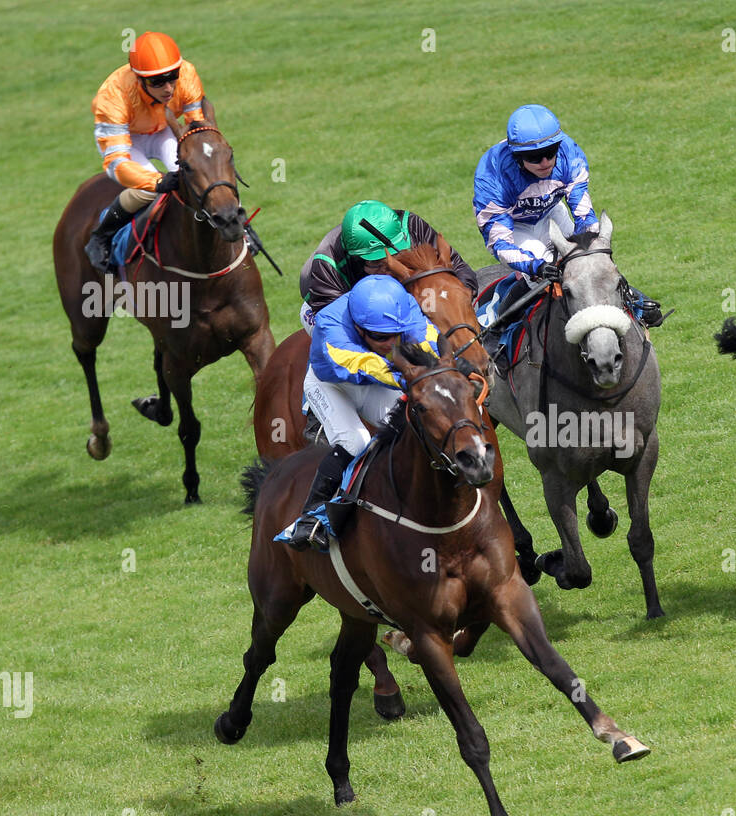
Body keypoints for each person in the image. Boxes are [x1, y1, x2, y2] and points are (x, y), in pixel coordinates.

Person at [281, 275, 440, 552]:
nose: (391, 343)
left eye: (397, 334)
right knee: (355, 442)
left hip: (374, 383)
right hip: (331, 385)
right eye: (381, 336)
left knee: (412, 426)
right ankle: (310, 517)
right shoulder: (331, 324)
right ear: (358, 327)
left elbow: (430, 343)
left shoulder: (406, 308)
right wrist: (412, 374)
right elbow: (364, 364)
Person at [472, 104, 663, 327]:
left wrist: (592, 248)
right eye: (534, 157)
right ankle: (498, 330)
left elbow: (584, 215)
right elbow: (501, 244)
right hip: (515, 226)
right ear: (517, 156)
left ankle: (633, 300)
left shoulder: (570, 154)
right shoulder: (491, 177)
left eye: (550, 152)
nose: (544, 162)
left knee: (590, 260)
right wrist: (538, 268)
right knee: (546, 271)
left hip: (551, 212)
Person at [85, 32, 214, 273]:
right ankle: (101, 236)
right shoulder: (113, 95)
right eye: (157, 82)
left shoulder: (187, 74)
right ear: (139, 80)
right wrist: (157, 181)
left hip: (161, 129)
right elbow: (118, 163)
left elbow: (198, 128)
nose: (167, 88)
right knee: (150, 192)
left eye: (172, 77)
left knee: (197, 178)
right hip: (126, 140)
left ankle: (239, 228)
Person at [298, 200, 477, 334]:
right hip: (331, 307)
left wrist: (457, 305)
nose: (391, 267)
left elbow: (459, 270)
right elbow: (337, 327)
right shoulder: (327, 265)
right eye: (377, 263)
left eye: (396, 256)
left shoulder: (412, 226)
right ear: (356, 258)